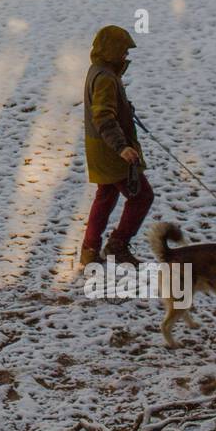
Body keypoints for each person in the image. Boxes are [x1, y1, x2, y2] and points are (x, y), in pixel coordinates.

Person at [81, 25, 153, 266]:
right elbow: (103, 116)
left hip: (99, 148)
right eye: (122, 51)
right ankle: (117, 245)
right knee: (142, 196)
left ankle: (90, 250)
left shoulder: (99, 71)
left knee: (106, 195)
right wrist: (122, 147)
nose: (125, 56)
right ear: (111, 50)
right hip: (111, 150)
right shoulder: (105, 79)